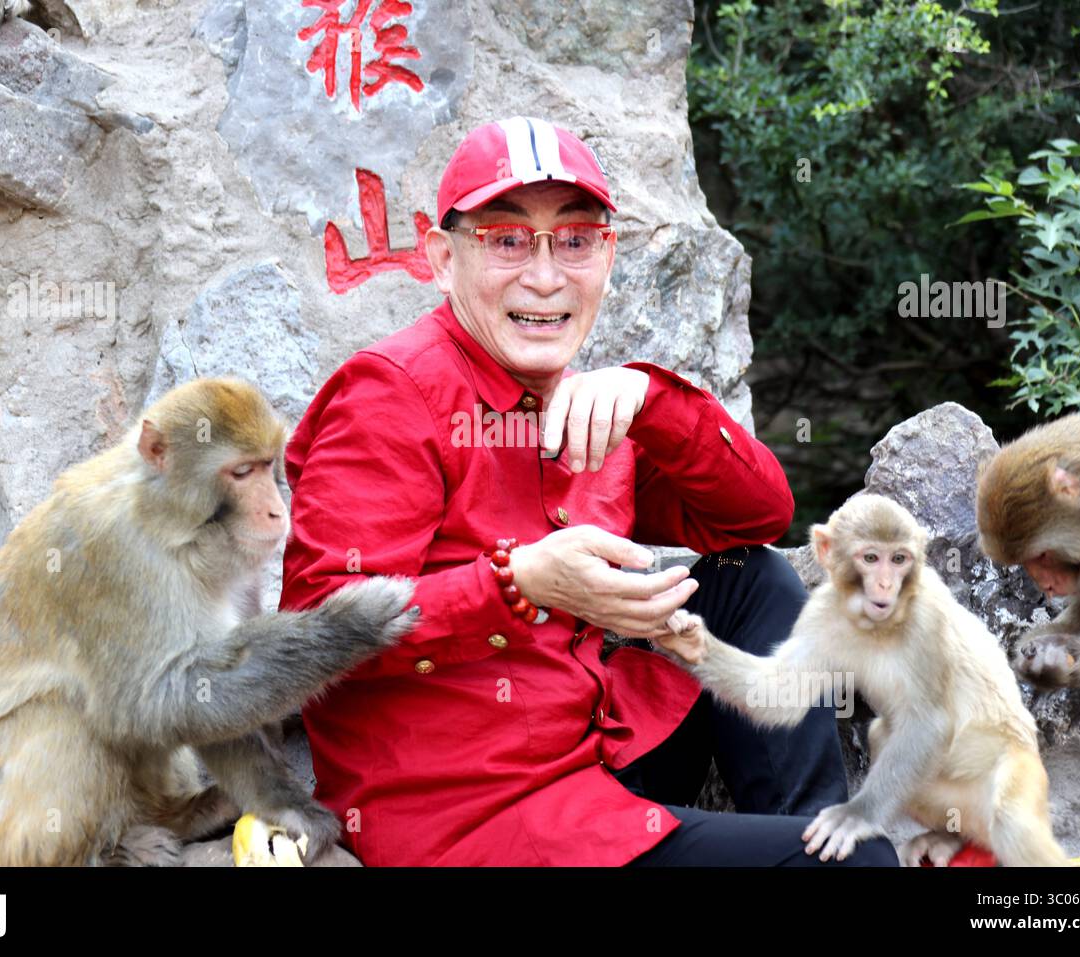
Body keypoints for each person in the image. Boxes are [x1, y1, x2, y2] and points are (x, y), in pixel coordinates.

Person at [279, 116, 898, 867]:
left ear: (607, 257)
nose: (545, 276)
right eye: (507, 240)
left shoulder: (590, 403)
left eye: (574, 240)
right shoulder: (391, 392)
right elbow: (308, 637)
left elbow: (758, 513)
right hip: (472, 817)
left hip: (586, 752)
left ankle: (806, 835)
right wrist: (518, 583)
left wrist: (653, 399)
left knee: (750, 578)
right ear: (443, 259)